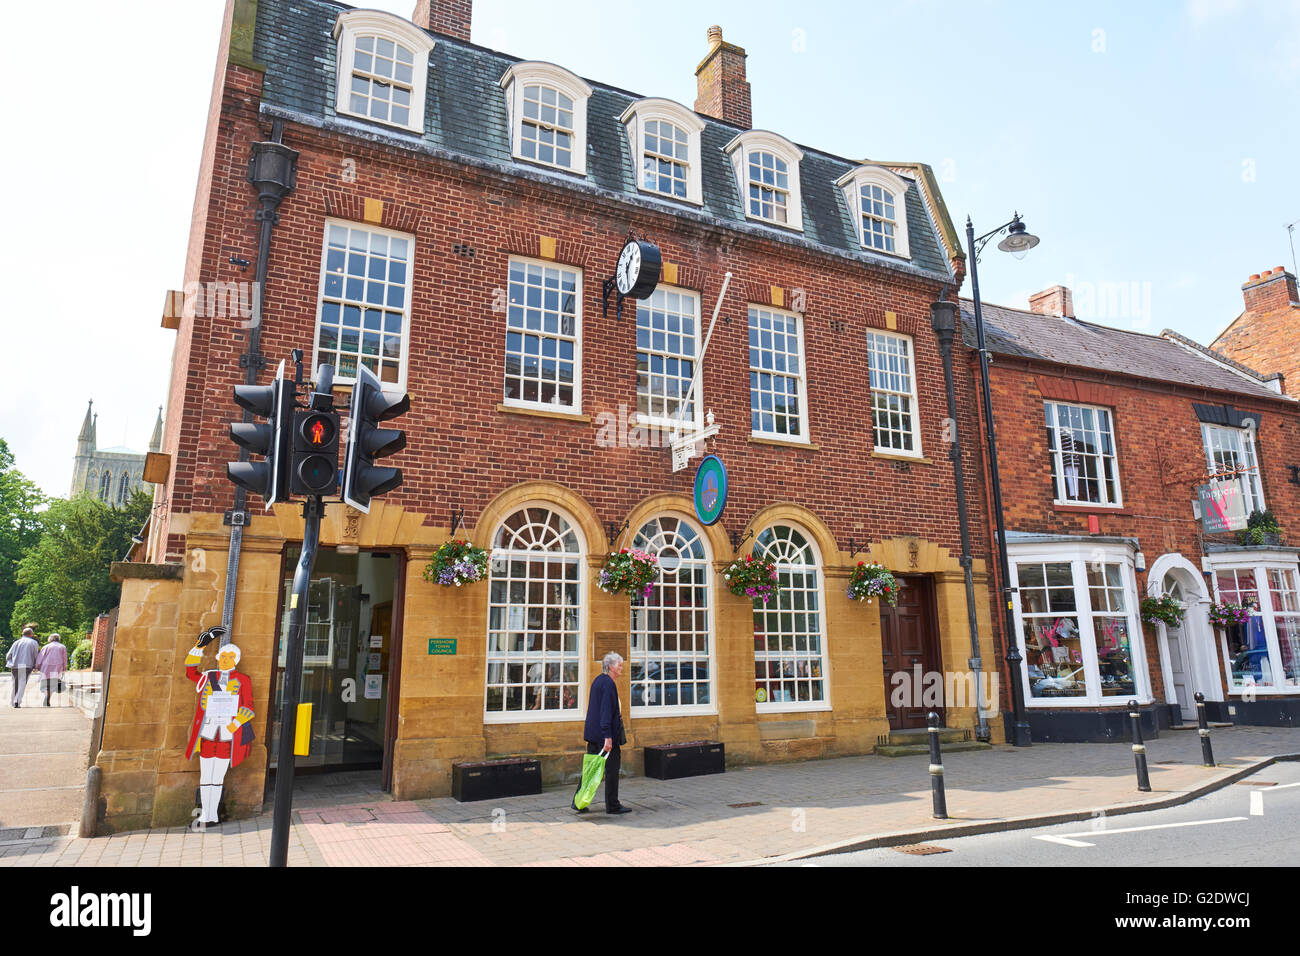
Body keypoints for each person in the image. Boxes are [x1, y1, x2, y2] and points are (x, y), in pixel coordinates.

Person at [184, 631, 255, 827]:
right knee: (205, 775)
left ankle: (212, 814)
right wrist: (199, 646)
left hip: (226, 734)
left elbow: (248, 708)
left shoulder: (243, 680)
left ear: (236, 660)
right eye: (223, 656)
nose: (225, 660)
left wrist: (235, 725)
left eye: (230, 657)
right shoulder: (209, 676)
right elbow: (190, 671)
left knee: (218, 777)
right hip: (208, 732)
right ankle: (205, 814)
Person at [574, 651, 630, 815]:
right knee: (612, 771)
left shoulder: (598, 680)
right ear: (612, 667)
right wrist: (608, 737)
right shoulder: (608, 684)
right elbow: (605, 712)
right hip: (604, 737)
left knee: (590, 770)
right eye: (619, 665)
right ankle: (612, 805)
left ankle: (578, 802)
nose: (621, 668)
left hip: (594, 734)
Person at [5, 627, 40, 708]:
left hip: (15, 665)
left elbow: (8, 655)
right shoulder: (34, 642)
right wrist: (36, 665)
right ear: (31, 634)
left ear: (22, 634)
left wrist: (10, 662)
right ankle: (17, 701)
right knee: (22, 683)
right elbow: (35, 655)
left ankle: (13, 701)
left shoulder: (16, 642)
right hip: (26, 665)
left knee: (15, 684)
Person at [34, 633, 69, 707]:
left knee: (46, 683)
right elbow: (64, 658)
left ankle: (47, 696)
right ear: (58, 639)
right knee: (52, 683)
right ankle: (48, 699)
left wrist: (37, 666)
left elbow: (40, 657)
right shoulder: (62, 647)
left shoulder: (46, 647)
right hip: (57, 666)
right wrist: (64, 667)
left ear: (50, 639)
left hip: (46, 666)